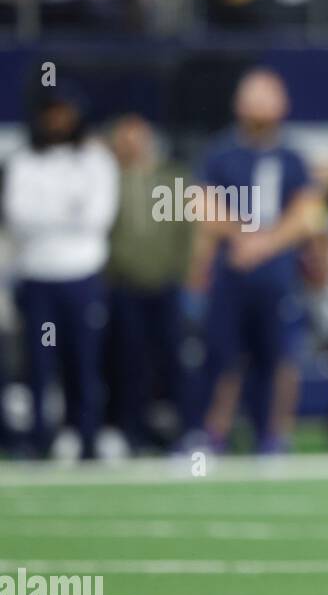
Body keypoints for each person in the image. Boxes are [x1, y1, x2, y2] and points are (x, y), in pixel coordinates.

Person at [188, 68, 324, 453]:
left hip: (277, 273)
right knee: (224, 355)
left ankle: (276, 435)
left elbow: (309, 212)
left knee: (281, 357)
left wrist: (265, 244)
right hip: (231, 271)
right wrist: (240, 237)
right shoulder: (221, 152)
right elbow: (200, 203)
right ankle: (214, 432)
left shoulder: (293, 157)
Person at [4, 90, 118, 459]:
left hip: (82, 276)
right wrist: (67, 212)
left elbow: (97, 217)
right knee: (40, 362)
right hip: (39, 279)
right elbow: (19, 217)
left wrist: (50, 214)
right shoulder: (23, 160)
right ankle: (40, 441)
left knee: (83, 362)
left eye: (63, 113)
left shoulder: (96, 160)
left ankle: (86, 438)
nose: (57, 121)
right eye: (51, 114)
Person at [103, 114, 191, 452]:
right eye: (124, 139)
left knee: (172, 359)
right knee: (128, 362)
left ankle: (180, 431)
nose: (131, 145)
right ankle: (131, 432)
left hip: (166, 286)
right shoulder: (110, 179)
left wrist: (182, 274)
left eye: (136, 138)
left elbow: (185, 233)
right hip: (124, 286)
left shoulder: (171, 179)